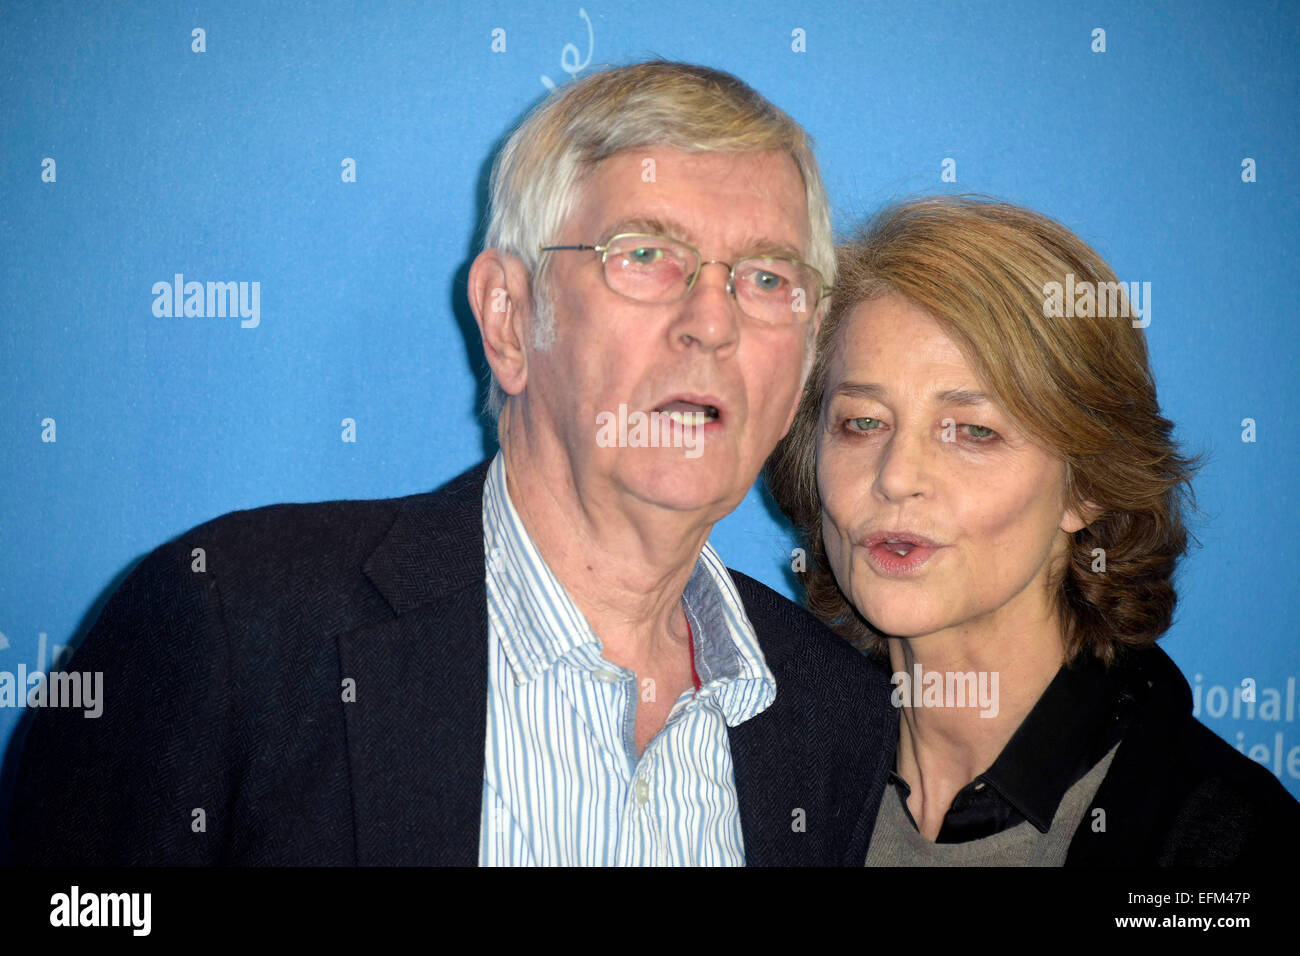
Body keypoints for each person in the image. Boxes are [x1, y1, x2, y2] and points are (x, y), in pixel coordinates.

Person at [8, 60, 896, 866]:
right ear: (509, 320)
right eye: (647, 257)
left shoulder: (837, 719)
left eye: (769, 279)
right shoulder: (233, 628)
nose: (714, 320)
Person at [767, 194, 1300, 865]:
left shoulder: (1225, 846)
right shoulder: (756, 784)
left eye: (974, 431)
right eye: (862, 422)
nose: (896, 477)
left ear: (1088, 485)